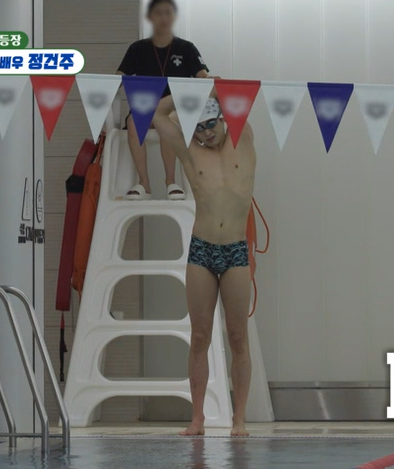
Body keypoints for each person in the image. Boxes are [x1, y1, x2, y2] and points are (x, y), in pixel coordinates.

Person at [151, 96, 255, 437]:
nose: (207, 133)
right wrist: (186, 95)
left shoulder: (243, 139)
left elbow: (239, 98)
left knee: (238, 336)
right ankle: (197, 418)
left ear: (223, 119)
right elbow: (158, 114)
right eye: (198, 128)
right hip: (202, 249)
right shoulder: (189, 150)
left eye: (211, 124)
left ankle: (239, 419)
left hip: (235, 250)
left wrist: (211, 90)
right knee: (199, 336)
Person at [117, 0, 211, 201]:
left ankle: (171, 181)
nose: (163, 18)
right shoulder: (137, 48)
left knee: (166, 120)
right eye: (158, 13)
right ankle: (144, 183)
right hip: (145, 109)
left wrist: (213, 81)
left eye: (168, 13)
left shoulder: (186, 48)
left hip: (174, 109)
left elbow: (202, 76)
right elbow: (119, 77)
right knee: (133, 122)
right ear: (150, 17)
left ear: (174, 17)